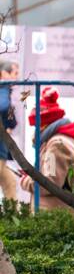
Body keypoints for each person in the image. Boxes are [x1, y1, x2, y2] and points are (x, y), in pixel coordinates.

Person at [17, 88, 74, 212]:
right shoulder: (64, 139)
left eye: (36, 125)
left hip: (58, 215)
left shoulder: (56, 145)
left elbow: (49, 184)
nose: (35, 130)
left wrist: (26, 181)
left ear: (45, 124)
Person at [0, 60, 18, 202]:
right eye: (14, 73)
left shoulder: (6, 91)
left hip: (2, 148)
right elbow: (4, 106)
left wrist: (10, 123)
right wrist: (10, 122)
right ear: (4, 73)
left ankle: (13, 220)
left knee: (10, 182)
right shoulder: (3, 89)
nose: (16, 77)